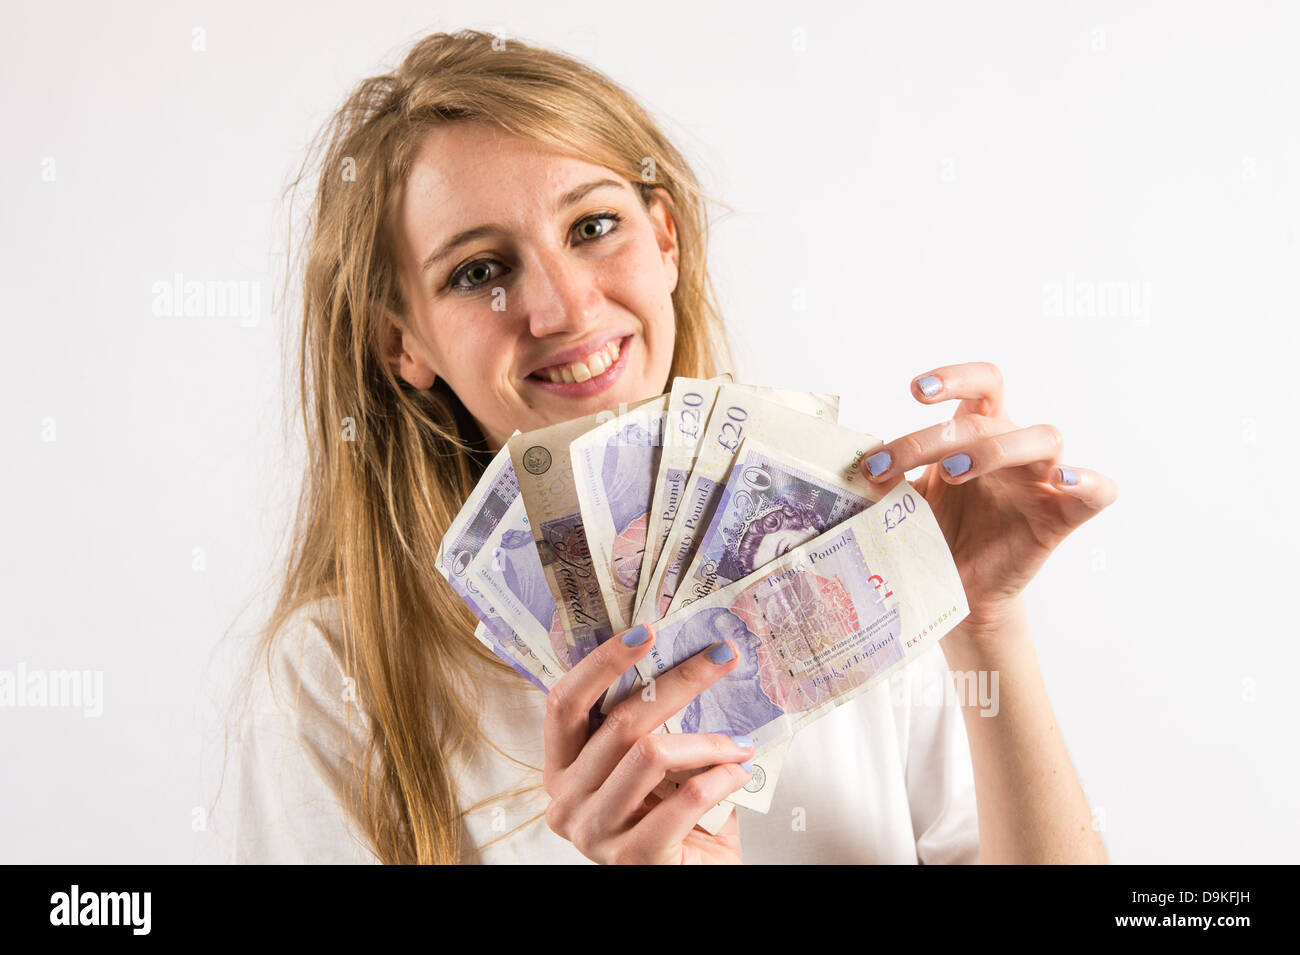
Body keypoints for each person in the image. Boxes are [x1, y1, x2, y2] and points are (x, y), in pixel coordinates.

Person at [224, 28, 1118, 865]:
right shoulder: (332, 676)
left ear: (666, 237)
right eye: (480, 271)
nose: (565, 309)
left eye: (592, 226)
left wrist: (986, 623)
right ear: (402, 343)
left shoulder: (857, 565)